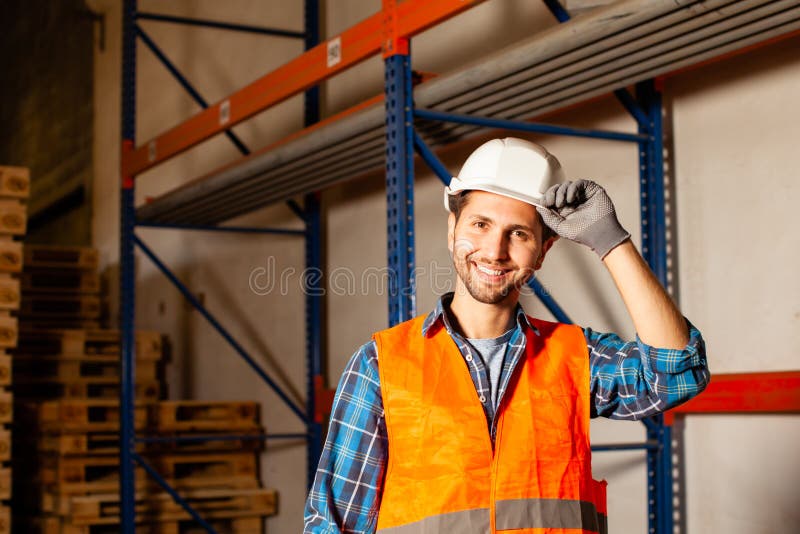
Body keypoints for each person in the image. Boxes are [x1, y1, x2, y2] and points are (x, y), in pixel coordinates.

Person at [304, 138, 709, 533]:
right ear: (453, 229)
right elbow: (335, 522)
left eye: (519, 233)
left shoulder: (573, 356)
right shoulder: (382, 364)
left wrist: (609, 240)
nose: (495, 250)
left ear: (543, 250)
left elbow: (675, 374)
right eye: (480, 224)